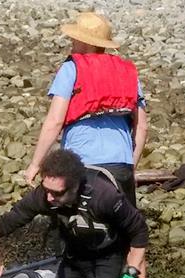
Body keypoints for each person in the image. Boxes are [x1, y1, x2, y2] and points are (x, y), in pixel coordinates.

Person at [0, 149, 152, 278]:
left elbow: (139, 232)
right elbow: (5, 224)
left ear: (76, 186)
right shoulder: (44, 196)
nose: (50, 198)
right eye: (47, 190)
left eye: (58, 193)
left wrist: (129, 276)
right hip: (74, 257)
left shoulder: (105, 196)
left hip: (108, 257)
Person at [23, 12, 148, 207]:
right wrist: (130, 167)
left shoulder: (71, 68)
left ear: (88, 43)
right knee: (125, 230)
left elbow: (54, 122)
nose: (72, 40)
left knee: (76, 229)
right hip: (121, 166)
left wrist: (35, 165)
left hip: (83, 166)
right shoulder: (127, 72)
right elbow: (142, 128)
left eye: (76, 37)